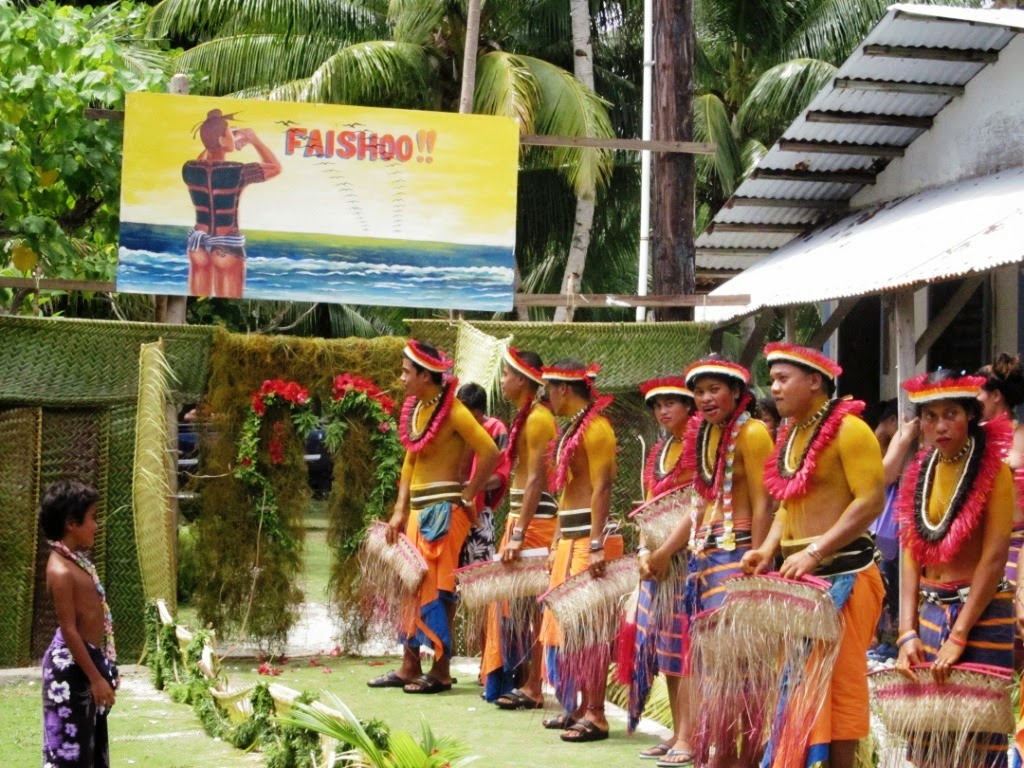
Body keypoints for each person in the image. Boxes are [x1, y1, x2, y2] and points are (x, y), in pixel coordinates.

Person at [742, 342, 885, 768]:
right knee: (801, 688)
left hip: (846, 576)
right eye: (773, 379)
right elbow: (789, 502)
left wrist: (817, 551)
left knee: (839, 693)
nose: (775, 388)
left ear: (815, 381)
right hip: (802, 583)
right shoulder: (791, 435)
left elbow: (871, 501)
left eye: (784, 379)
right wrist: (767, 548)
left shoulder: (850, 429)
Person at [894, 370, 1015, 767]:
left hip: (980, 616)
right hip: (929, 613)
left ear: (971, 416)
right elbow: (912, 550)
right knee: (928, 737)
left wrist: (960, 634)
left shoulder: (994, 471)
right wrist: (905, 632)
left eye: (951, 414)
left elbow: (995, 557)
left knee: (977, 739)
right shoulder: (921, 469)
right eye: (930, 416)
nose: (940, 426)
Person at [366, 340, 500, 694]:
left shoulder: (455, 410)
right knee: (410, 586)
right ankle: (409, 665)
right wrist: (399, 509)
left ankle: (440, 671)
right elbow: (410, 459)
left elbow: (490, 450)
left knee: (438, 591)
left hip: (444, 512)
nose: (401, 378)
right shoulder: (415, 409)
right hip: (415, 512)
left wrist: (469, 492)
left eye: (407, 372)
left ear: (426, 376)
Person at [681, 355, 773, 768]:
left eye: (714, 389)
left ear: (736, 392)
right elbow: (702, 500)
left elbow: (763, 502)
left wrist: (758, 564)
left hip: (739, 557)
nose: (704, 399)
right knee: (714, 665)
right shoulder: (704, 435)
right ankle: (717, 751)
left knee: (744, 664)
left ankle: (746, 757)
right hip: (707, 558)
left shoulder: (752, 433)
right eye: (699, 392)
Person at [538, 359, 620, 743]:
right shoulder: (574, 427)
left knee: (589, 629)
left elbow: (602, 488)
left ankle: (597, 714)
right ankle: (574, 707)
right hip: (570, 538)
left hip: (588, 540)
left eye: (550, 388)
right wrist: (556, 539)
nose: (546, 395)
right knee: (568, 628)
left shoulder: (598, 428)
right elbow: (568, 489)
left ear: (564, 390)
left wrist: (597, 543)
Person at [486, 348, 559, 708]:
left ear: (523, 380)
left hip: (536, 524)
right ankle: (524, 679)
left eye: (506, 374)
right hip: (523, 520)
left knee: (533, 608)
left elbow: (536, 480)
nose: (502, 381)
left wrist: (518, 532)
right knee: (519, 609)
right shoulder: (526, 417)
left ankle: (534, 687)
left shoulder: (539, 419)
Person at [631, 376, 697, 763]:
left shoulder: (697, 447)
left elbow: (696, 507)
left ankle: (690, 735)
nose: (663, 411)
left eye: (671, 403)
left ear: (689, 407)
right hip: (658, 564)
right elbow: (648, 510)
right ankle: (677, 733)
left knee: (685, 652)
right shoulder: (661, 450)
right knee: (668, 651)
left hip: (686, 560)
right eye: (658, 406)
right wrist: (644, 551)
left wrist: (664, 552)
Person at [40, 479, 119, 768]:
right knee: (69, 756)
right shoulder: (61, 570)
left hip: (84, 665)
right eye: (92, 518)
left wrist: (104, 667)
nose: (96, 526)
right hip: (70, 671)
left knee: (90, 750)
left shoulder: (77, 563)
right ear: (71, 523)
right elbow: (69, 629)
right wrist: (96, 678)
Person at [183, 109, 281, 298]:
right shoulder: (238, 171)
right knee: (229, 302)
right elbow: (275, 167)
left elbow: (203, 160)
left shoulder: (189, 168)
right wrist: (253, 139)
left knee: (194, 299)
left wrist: (214, 140)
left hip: (198, 245)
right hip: (226, 245)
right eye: (229, 133)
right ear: (222, 140)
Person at [456, 381, 511, 569]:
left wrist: (473, 487)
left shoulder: (496, 429)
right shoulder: (453, 428)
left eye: (472, 416)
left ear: (480, 413)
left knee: (478, 576)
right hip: (451, 511)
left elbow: (502, 474)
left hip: (480, 513)